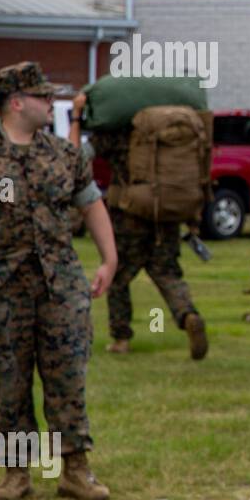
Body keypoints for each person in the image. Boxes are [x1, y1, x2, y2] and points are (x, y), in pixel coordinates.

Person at [0, 62, 117, 500]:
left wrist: (109, 258)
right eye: (43, 96)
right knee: (10, 381)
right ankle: (16, 473)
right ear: (16, 102)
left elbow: (91, 204)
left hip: (59, 283)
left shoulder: (63, 155)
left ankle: (75, 469)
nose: (52, 103)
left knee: (67, 375)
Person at [69, 92, 208, 360]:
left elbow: (75, 157)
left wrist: (77, 116)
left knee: (119, 276)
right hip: (163, 212)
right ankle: (188, 314)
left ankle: (121, 338)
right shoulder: (165, 131)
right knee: (167, 273)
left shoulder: (118, 134)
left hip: (127, 215)